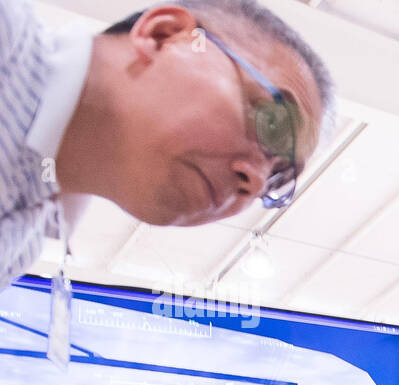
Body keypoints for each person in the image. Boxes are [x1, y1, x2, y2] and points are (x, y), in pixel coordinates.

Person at [1, 0, 334, 288]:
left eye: (278, 179)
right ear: (162, 35)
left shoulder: (21, 246)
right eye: (272, 122)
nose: (256, 182)